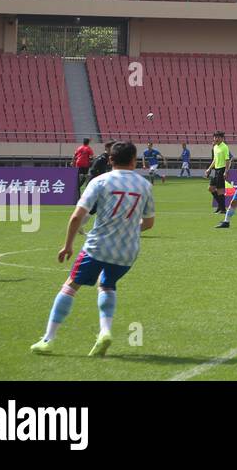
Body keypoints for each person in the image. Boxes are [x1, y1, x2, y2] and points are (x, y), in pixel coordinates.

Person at [30, 141, 155, 357]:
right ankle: (104, 332)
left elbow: (77, 216)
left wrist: (68, 245)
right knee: (107, 284)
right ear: (134, 160)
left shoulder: (100, 181)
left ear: (110, 160)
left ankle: (48, 339)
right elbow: (149, 223)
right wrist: (128, 230)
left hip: (98, 247)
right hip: (127, 252)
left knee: (70, 286)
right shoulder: (145, 185)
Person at [207, 131, 230, 215]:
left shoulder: (225, 147)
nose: (216, 139)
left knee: (220, 190)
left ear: (222, 138)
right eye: (215, 137)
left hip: (222, 169)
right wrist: (209, 169)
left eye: (218, 137)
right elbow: (215, 159)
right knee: (211, 188)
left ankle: (223, 209)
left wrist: (226, 171)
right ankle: (220, 206)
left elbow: (227, 160)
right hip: (216, 170)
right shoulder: (215, 147)